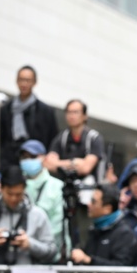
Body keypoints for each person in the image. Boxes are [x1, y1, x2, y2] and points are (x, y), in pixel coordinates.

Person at [0, 166, 57, 265]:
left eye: (18, 194)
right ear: (1, 189)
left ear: (24, 190)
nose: (13, 199)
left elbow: (52, 252)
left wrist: (30, 244)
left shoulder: (38, 215)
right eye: (9, 194)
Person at [44, 99, 105, 244]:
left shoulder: (93, 138)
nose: (72, 116)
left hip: (88, 197)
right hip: (64, 194)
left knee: (86, 236)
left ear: (84, 115)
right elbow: (48, 164)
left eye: (76, 112)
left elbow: (86, 168)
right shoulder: (62, 138)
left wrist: (60, 164)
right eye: (69, 112)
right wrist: (74, 162)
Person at [0, 65, 59, 172]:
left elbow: (53, 139)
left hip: (36, 163)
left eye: (28, 80)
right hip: (9, 163)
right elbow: (2, 138)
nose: (24, 84)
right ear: (16, 81)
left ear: (34, 82)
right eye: (21, 80)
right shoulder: (6, 109)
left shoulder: (45, 111)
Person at [19, 139, 67, 261]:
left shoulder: (57, 187)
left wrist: (37, 246)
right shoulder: (17, 187)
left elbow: (58, 226)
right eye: (24, 157)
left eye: (33, 156)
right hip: (22, 254)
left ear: (44, 158)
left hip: (51, 255)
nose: (28, 160)